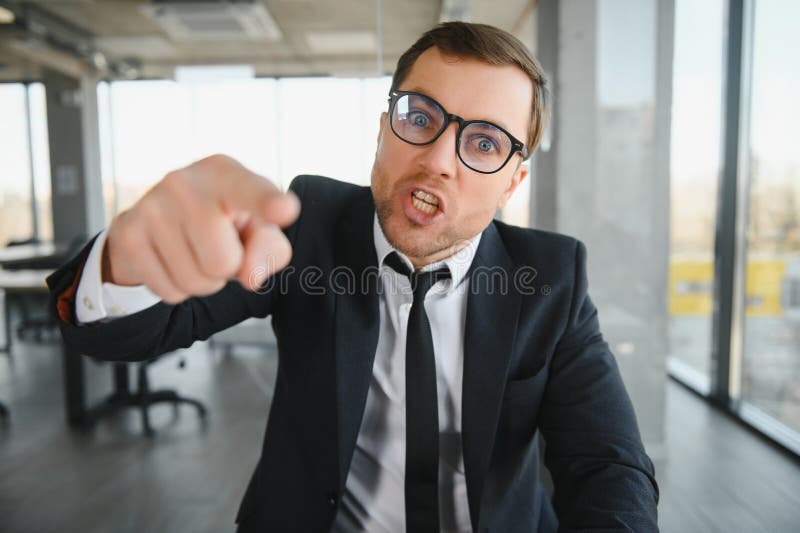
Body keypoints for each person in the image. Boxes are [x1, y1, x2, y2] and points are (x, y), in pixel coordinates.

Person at [47, 21, 659, 533]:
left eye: (484, 143)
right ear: (382, 127)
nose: (438, 160)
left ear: (512, 181)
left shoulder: (551, 277)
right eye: (420, 117)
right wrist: (127, 260)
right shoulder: (303, 230)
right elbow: (124, 335)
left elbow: (608, 465)